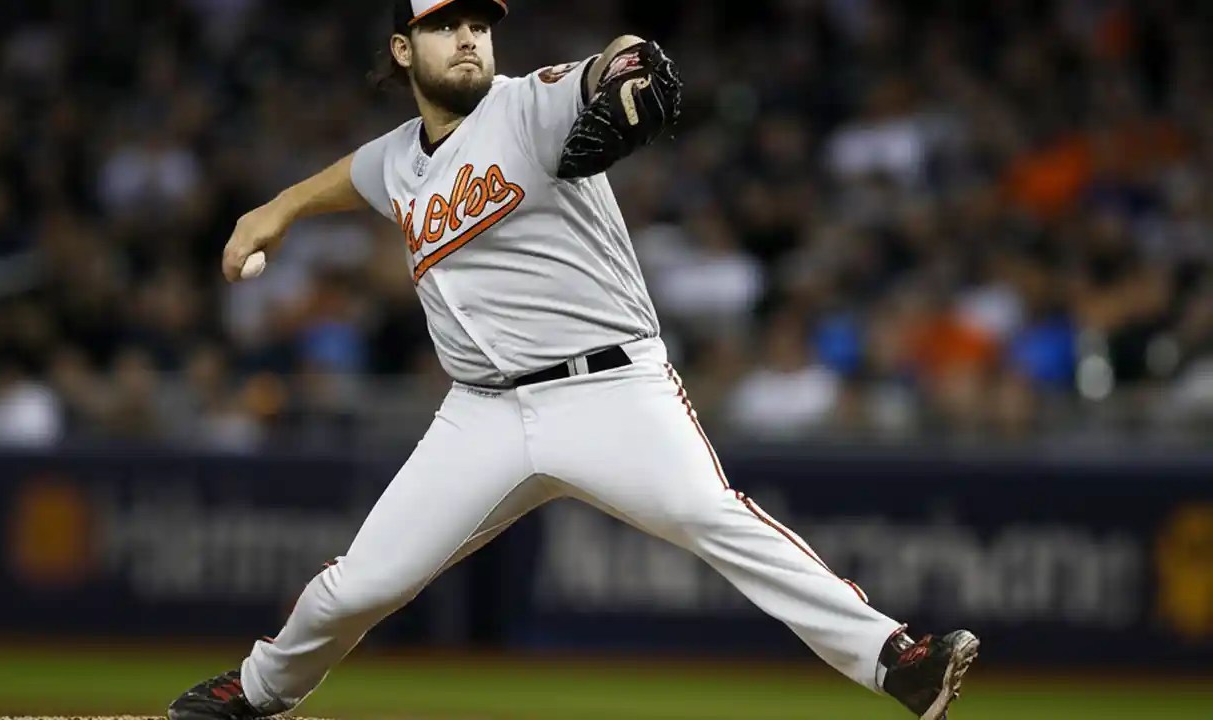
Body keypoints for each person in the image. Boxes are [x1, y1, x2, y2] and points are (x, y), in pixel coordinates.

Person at [167, 1, 978, 718]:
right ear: (404, 50)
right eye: (444, 25)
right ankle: (261, 689)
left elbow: (610, 64)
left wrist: (628, 65)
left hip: (611, 390)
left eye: (479, 24)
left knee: (710, 515)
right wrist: (274, 210)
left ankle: (896, 660)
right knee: (362, 585)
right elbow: (352, 177)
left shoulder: (529, 105)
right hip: (479, 414)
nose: (468, 39)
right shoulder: (399, 161)